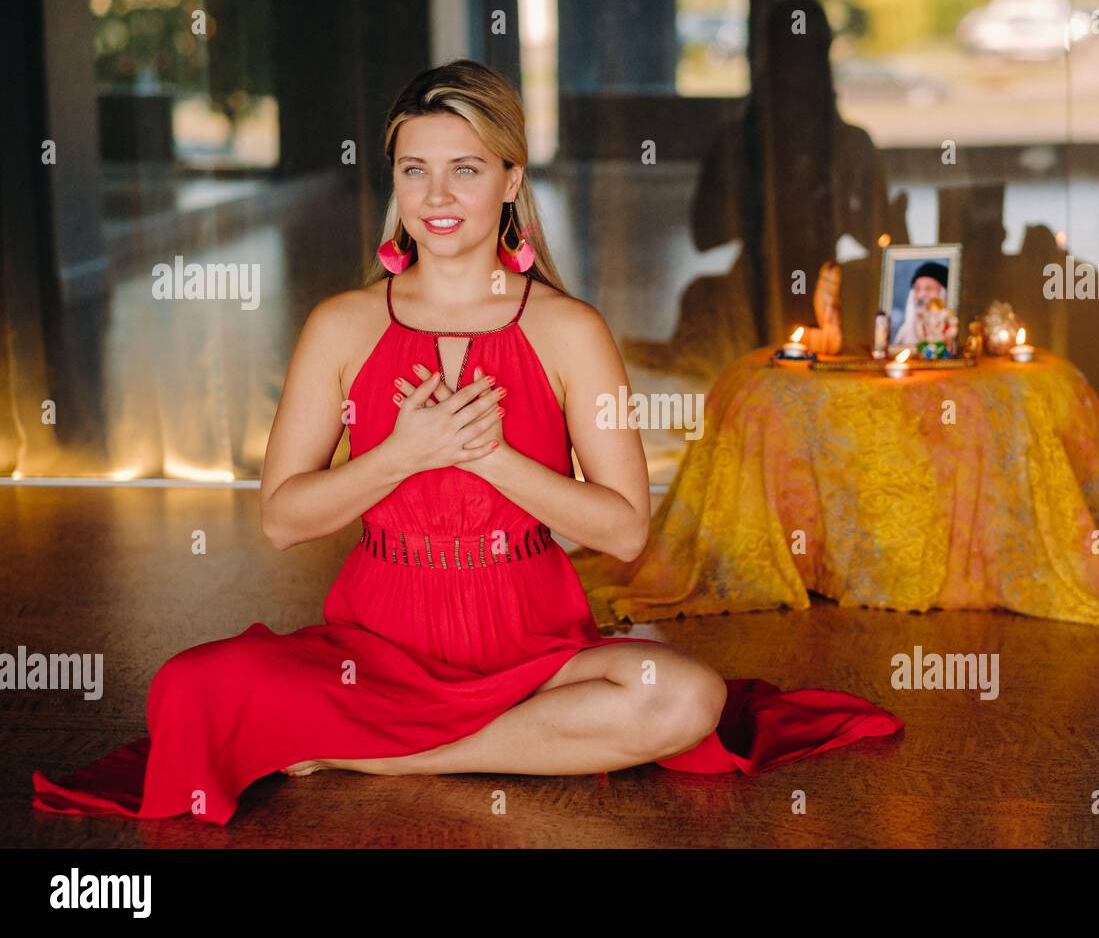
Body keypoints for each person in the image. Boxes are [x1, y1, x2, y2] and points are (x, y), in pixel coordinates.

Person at [30, 61, 902, 826]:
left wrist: (492, 457)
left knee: (685, 697)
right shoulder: (342, 324)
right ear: (395, 182)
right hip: (373, 649)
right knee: (185, 685)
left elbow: (626, 531)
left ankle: (375, 753)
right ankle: (428, 735)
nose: (437, 198)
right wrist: (403, 452)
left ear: (511, 180)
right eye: (415, 170)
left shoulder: (569, 330)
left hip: (530, 646)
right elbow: (284, 520)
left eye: (465, 170)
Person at [892, 261, 948, 346]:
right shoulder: (904, 332)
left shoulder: (951, 329)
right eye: (917, 289)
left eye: (929, 289)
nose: (921, 296)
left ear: (943, 293)